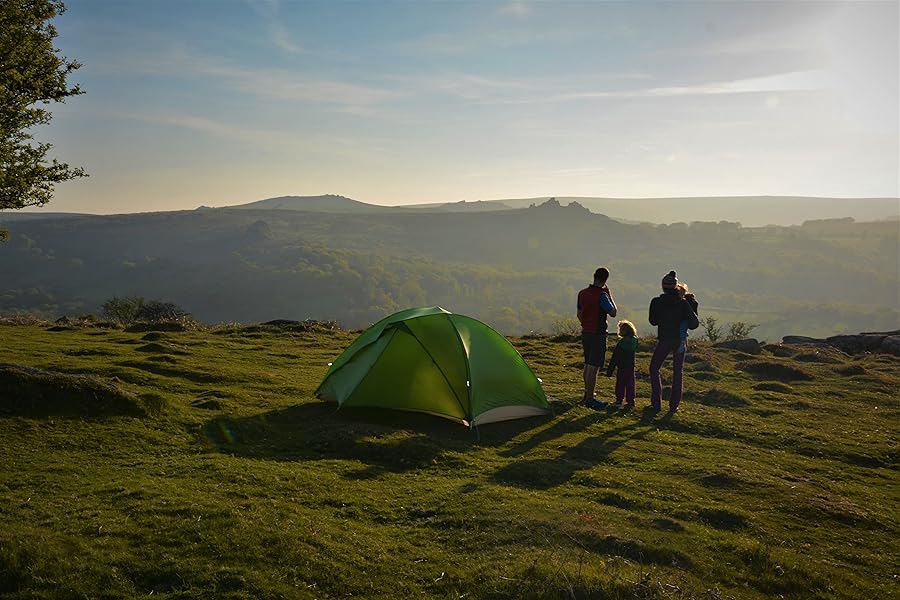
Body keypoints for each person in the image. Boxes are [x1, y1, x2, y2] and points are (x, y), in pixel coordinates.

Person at [648, 270, 699, 412]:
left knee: (654, 368)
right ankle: (674, 405)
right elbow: (694, 324)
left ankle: (656, 403)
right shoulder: (683, 303)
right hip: (680, 341)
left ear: (663, 287)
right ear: (676, 286)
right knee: (678, 372)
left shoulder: (657, 302)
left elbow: (653, 321)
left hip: (664, 339)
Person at [577, 267, 617, 408]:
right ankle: (590, 398)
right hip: (598, 334)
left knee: (588, 364)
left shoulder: (582, 293)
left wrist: (585, 324)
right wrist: (609, 295)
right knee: (593, 367)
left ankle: (587, 393)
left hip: (586, 332)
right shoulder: (602, 295)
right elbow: (613, 312)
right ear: (605, 280)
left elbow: (579, 314)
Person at [606, 319, 638, 407]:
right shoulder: (635, 341)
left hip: (622, 366)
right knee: (630, 383)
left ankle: (619, 400)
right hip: (631, 366)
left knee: (620, 383)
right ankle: (631, 400)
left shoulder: (622, 343)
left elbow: (615, 357)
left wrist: (610, 370)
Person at [675, 283, 699, 354]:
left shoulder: (683, 302)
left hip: (682, 320)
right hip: (685, 319)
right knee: (683, 331)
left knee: (682, 331)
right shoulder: (689, 301)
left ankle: (682, 345)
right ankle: (683, 345)